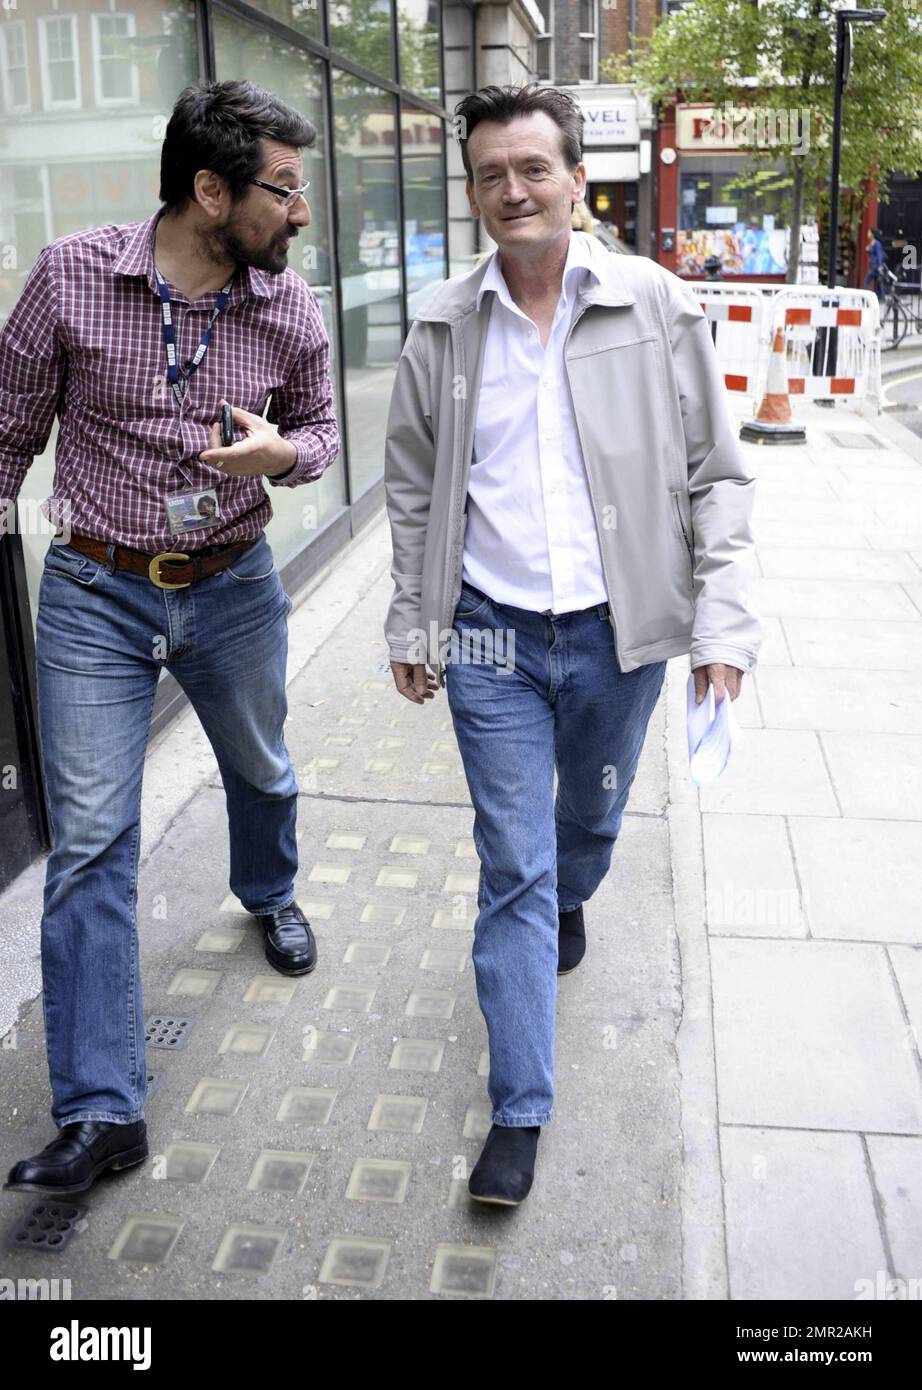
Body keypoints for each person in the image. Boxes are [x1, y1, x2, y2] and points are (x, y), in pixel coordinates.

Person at [383, 83, 761, 1206]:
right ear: (471, 190)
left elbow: (717, 477)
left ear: (573, 179)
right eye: (491, 174)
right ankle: (519, 1110)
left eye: (532, 169)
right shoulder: (443, 323)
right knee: (513, 864)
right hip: (492, 638)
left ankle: (573, 887)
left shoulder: (653, 303)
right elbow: (411, 488)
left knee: (586, 820)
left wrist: (720, 629)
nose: (513, 191)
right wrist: (415, 621)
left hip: (618, 634)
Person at [0, 79, 340, 1197]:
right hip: (95, 590)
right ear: (210, 190)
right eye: (283, 190)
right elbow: (9, 429)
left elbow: (327, 432)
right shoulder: (72, 275)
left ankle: (268, 886)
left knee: (260, 764)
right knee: (92, 839)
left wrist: (281, 458)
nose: (300, 212)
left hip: (234, 581)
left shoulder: (287, 307)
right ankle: (105, 1109)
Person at [864, 226, 886, 302]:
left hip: (875, 266)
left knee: (866, 282)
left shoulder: (877, 243)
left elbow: (880, 255)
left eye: (869, 232)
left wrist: (880, 266)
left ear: (872, 234)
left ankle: (869, 297)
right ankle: (881, 298)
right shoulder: (872, 243)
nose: (868, 234)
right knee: (879, 283)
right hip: (873, 265)